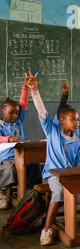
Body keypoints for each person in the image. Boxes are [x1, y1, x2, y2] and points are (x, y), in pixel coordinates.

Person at [27, 72, 80, 246]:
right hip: (53, 174)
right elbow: (42, 111)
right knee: (59, 193)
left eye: (78, 119)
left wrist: (78, 180)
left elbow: (79, 165)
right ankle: (47, 228)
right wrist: (34, 90)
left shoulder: (78, 141)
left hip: (72, 175)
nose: (77, 122)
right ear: (61, 121)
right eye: (72, 119)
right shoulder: (52, 131)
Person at [0, 76, 29, 208]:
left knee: (33, 168)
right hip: (7, 157)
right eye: (11, 113)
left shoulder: (18, 122)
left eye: (16, 113)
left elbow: (23, 104)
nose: (14, 116)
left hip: (22, 155)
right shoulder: (0, 125)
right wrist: (8, 139)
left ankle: (24, 194)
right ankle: (4, 191)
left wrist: (25, 87)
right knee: (9, 169)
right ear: (2, 111)